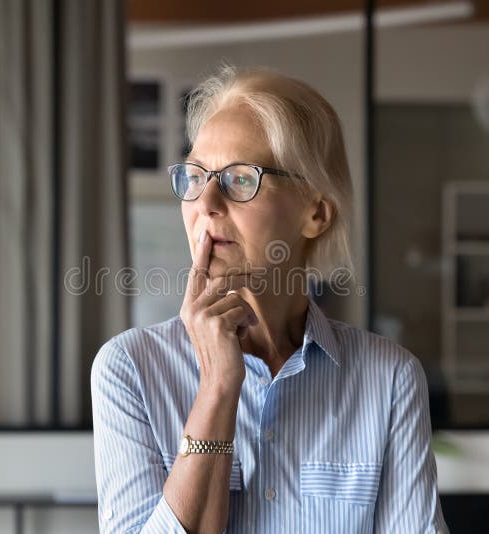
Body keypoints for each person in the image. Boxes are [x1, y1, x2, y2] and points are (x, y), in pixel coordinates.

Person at [91, 65, 448, 533]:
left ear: (315, 214)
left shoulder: (390, 380)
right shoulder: (130, 369)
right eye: (195, 176)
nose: (206, 203)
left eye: (240, 179)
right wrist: (218, 385)